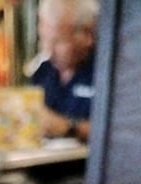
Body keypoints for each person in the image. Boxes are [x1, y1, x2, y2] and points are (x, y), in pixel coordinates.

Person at [30, 0, 98, 144]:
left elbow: (124, 130)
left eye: (58, 42)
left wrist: (69, 128)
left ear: (87, 34)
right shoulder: (43, 72)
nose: (48, 50)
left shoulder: (107, 74)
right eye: (43, 39)